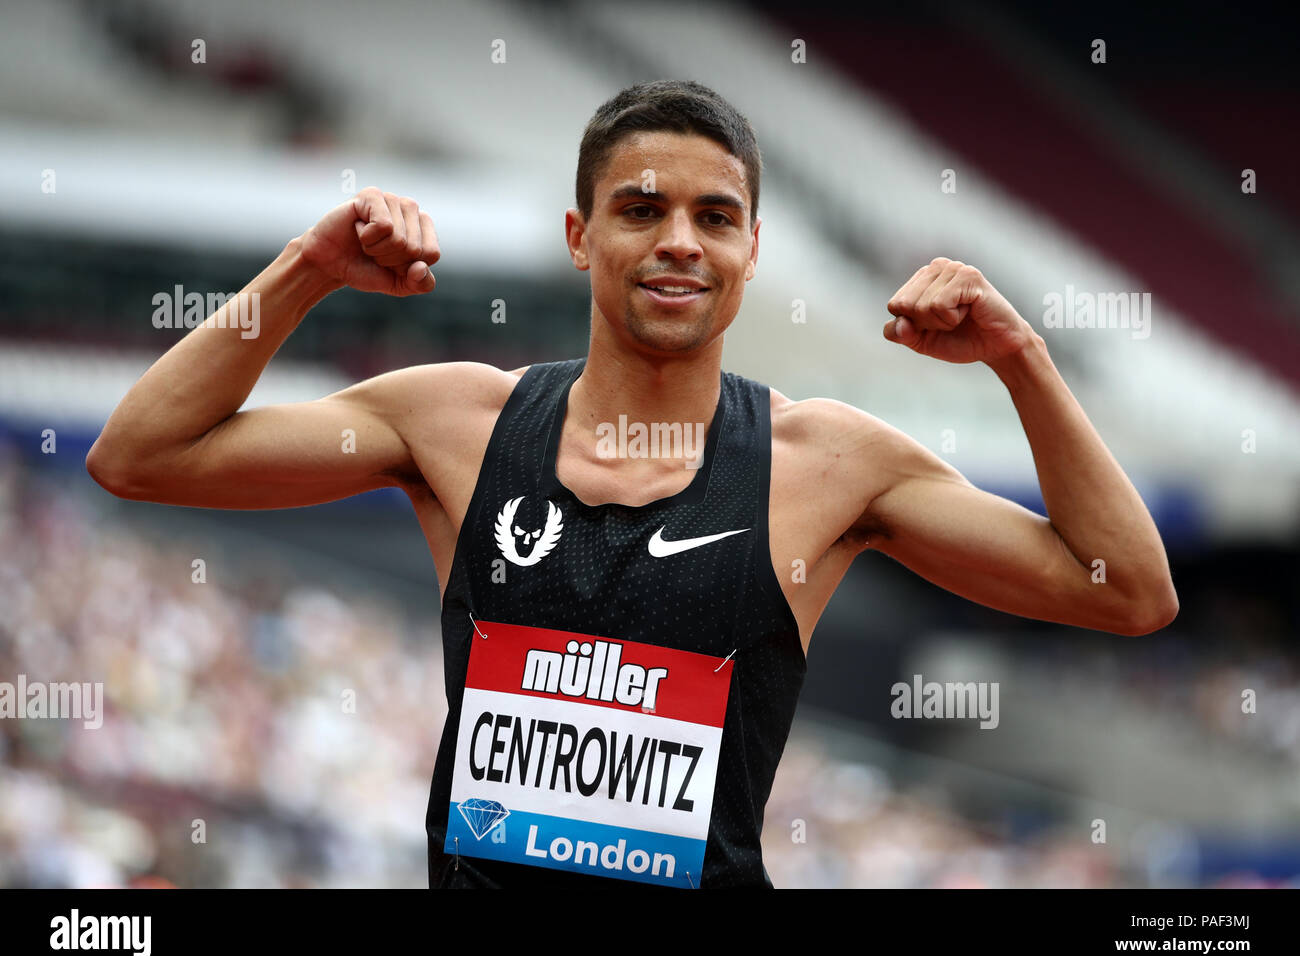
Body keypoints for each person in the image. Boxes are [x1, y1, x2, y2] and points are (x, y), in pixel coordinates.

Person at [87, 79, 1178, 889]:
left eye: (715, 217)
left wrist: (1021, 359)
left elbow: (1125, 589)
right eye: (641, 209)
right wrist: (306, 270)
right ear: (579, 236)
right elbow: (139, 455)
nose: (678, 243)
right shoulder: (457, 422)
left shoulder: (828, 464)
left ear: (752, 250)